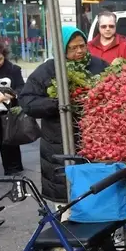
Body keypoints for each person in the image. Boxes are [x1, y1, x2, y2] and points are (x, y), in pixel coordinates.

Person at [19, 27, 108, 203]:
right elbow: (27, 101)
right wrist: (56, 104)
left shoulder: (99, 66)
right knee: (65, 197)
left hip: (94, 140)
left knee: (95, 193)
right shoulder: (48, 70)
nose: (79, 51)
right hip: (58, 142)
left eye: (82, 46)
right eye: (73, 48)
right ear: (61, 49)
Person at [0, 41, 24, 176]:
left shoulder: (13, 69)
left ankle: (13, 168)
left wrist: (12, 94)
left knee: (9, 140)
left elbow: (21, 87)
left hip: (7, 111)